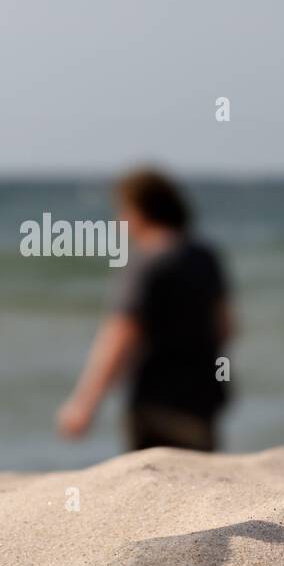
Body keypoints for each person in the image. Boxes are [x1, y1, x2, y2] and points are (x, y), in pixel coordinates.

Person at [56, 169, 233, 451]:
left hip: (157, 399)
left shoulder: (144, 262)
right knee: (202, 477)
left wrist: (83, 404)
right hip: (203, 395)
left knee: (156, 474)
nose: (119, 222)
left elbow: (120, 333)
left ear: (139, 211)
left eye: (122, 212)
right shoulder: (205, 257)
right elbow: (226, 327)